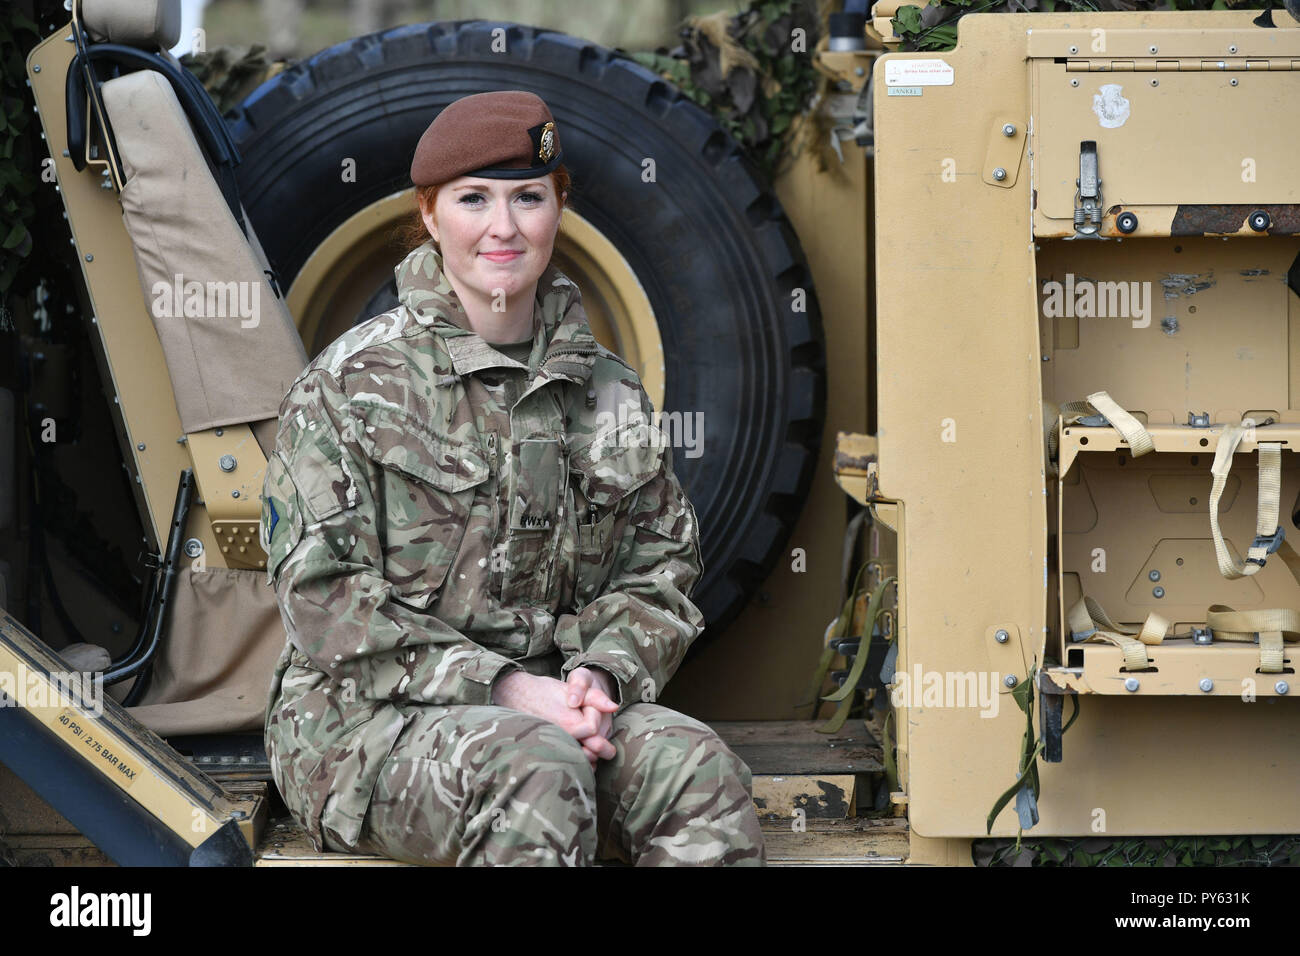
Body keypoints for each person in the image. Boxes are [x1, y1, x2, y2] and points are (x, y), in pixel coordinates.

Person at [259, 90, 766, 866]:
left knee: (695, 769)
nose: (504, 226)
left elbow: (658, 568)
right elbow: (323, 599)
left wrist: (599, 675)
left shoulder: (609, 389)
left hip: (559, 710)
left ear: (558, 209)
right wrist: (504, 690)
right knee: (532, 767)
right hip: (365, 727)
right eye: (474, 199)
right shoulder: (350, 385)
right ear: (430, 215)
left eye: (528, 197)